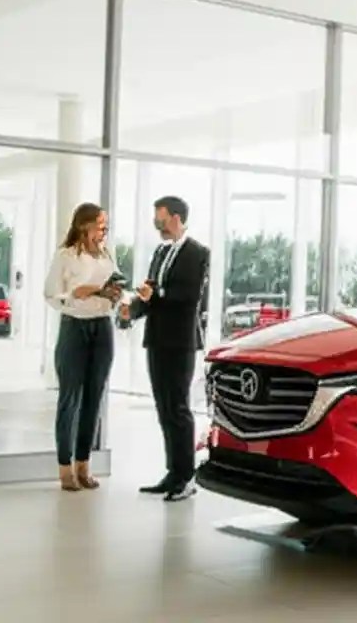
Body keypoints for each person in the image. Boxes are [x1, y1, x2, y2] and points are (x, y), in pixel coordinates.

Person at [120, 196, 210, 502]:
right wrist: (132, 310)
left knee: (178, 408)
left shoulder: (198, 253)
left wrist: (155, 293)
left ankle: (186, 477)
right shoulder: (160, 251)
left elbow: (189, 296)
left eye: (160, 218)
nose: (157, 224)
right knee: (164, 407)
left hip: (180, 342)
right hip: (156, 339)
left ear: (176, 217)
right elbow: (150, 295)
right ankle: (173, 472)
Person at [43, 202, 122, 492]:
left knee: (94, 398)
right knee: (70, 399)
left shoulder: (107, 255)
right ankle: (65, 468)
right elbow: (51, 294)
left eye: (106, 226)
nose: (104, 231)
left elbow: (115, 287)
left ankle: (83, 466)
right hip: (74, 327)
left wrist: (115, 295)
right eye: (100, 225)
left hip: (103, 328)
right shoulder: (65, 256)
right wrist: (77, 295)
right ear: (84, 225)